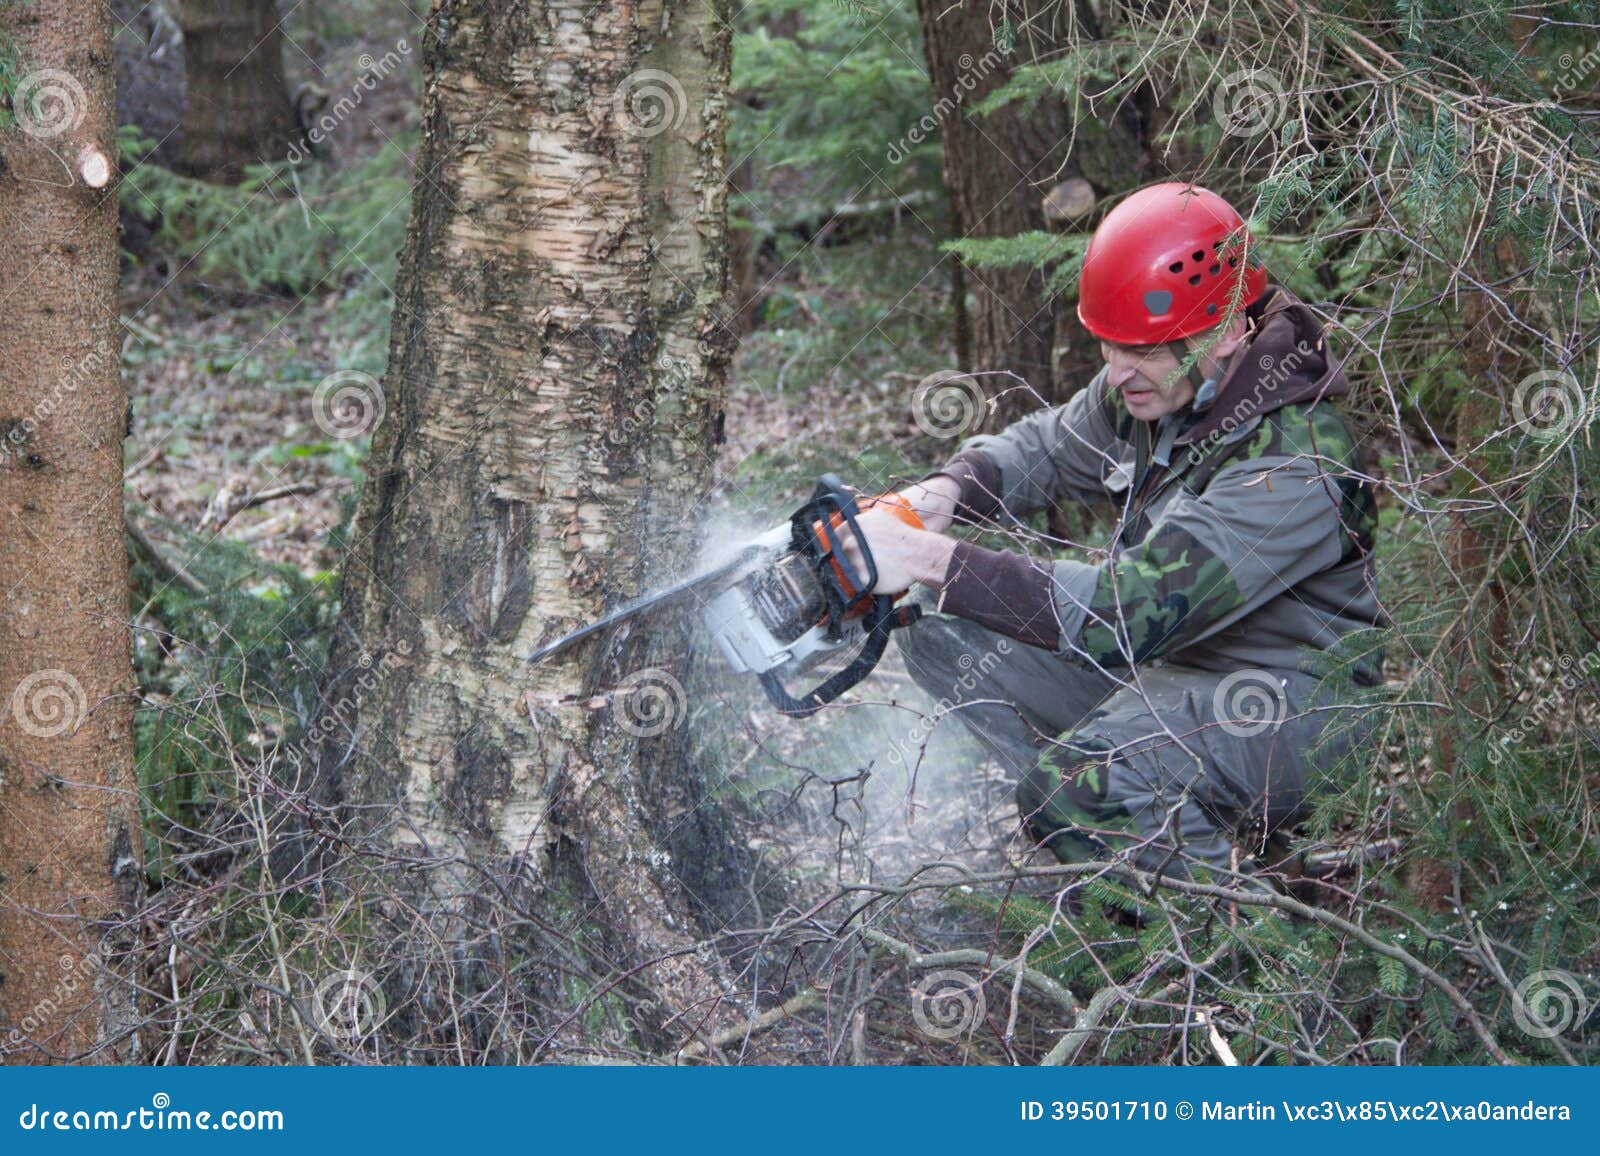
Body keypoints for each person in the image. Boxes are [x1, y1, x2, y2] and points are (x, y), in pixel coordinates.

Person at [844, 181, 1383, 886]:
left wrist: (921, 554)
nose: (1117, 373)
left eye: (1144, 351)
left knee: (1076, 787)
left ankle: (1242, 957)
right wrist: (938, 498)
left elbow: (1128, 612)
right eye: (1107, 346)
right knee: (941, 629)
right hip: (1173, 673)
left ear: (1226, 331)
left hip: (1295, 707)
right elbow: (1044, 447)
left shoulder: (1295, 458)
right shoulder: (1161, 384)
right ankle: (1133, 847)